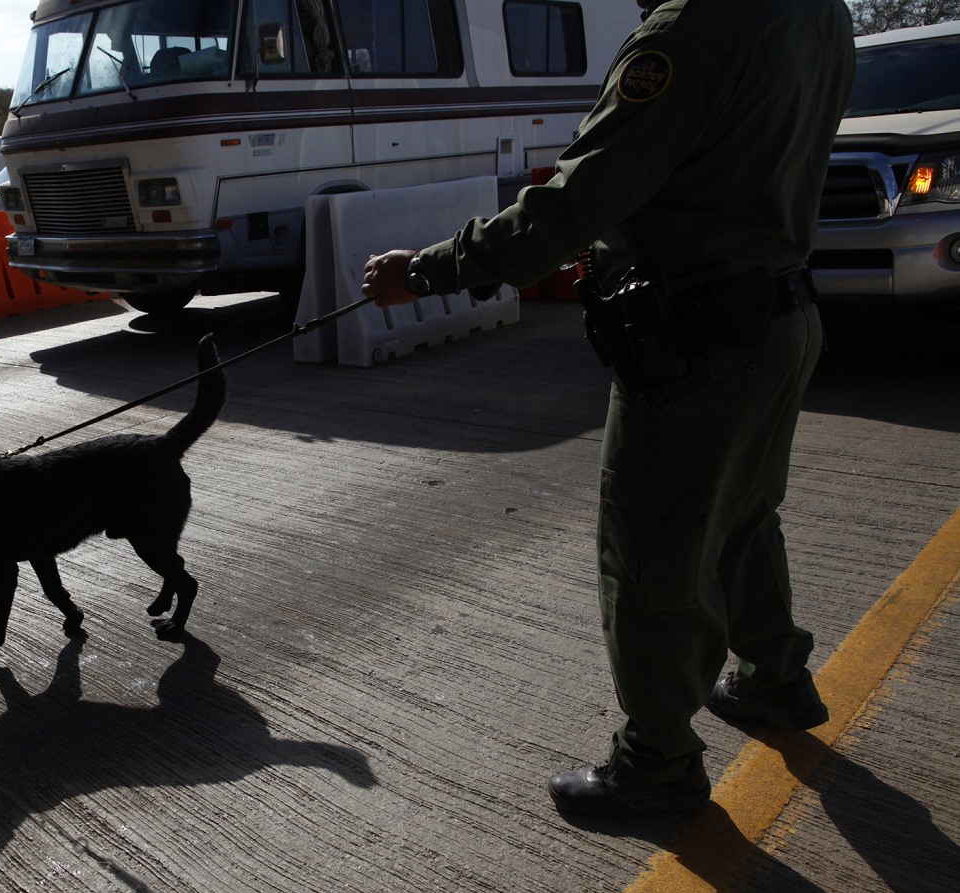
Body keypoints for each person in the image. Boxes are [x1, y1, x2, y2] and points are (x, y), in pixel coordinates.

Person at [362, 0, 856, 817]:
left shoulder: (692, 27)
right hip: (780, 318)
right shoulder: (818, 12)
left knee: (653, 549)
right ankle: (775, 679)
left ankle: (657, 763)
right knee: (741, 516)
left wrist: (428, 271)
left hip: (696, 340)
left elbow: (575, 203)